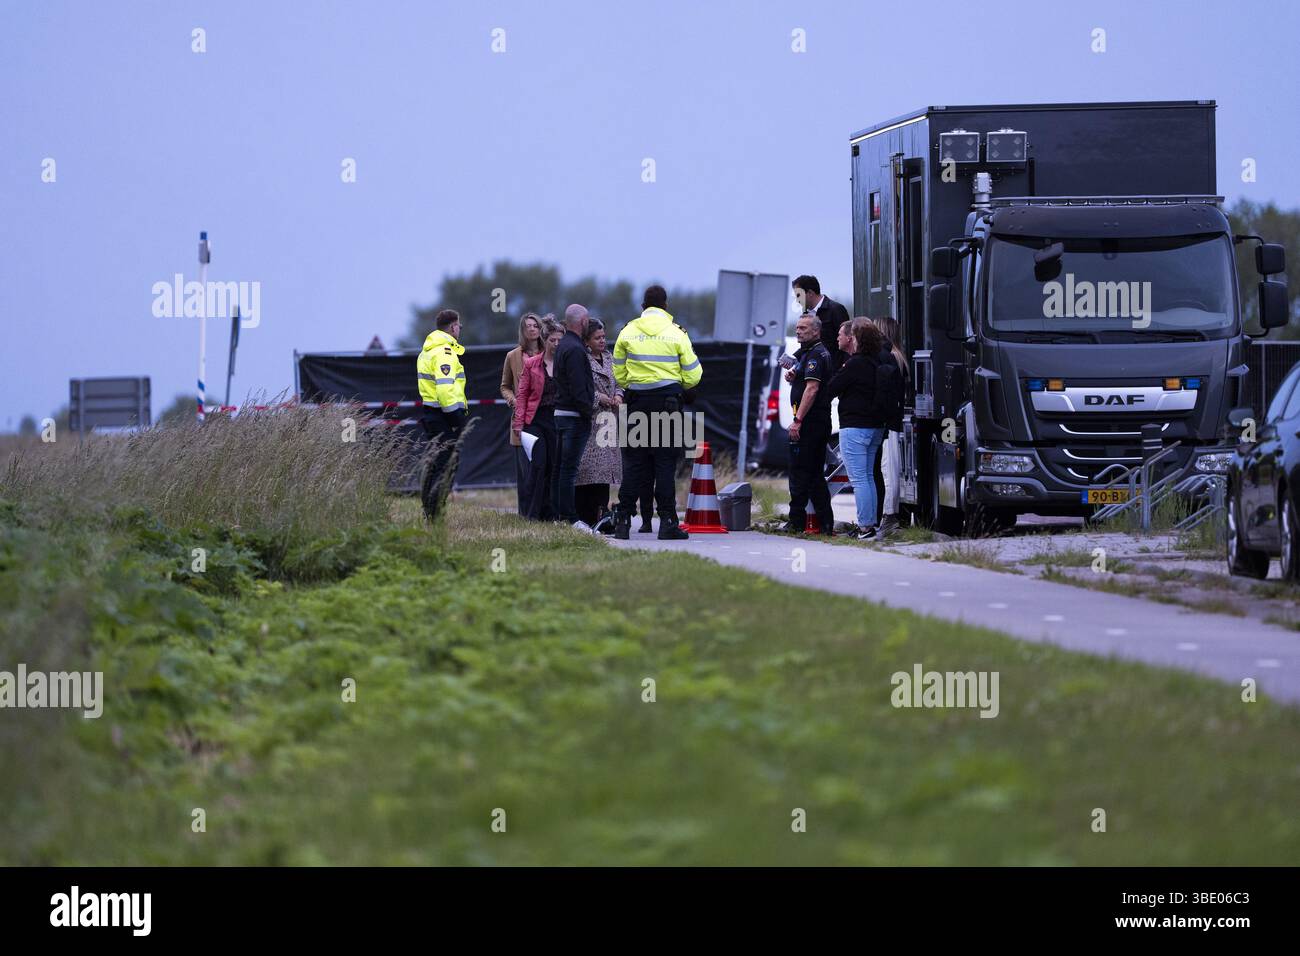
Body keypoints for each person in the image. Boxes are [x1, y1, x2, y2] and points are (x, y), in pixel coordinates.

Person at [610, 285, 702, 540]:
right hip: (667, 405)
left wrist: (635, 385)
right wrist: (677, 385)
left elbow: (618, 372)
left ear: (643, 306)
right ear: (666, 306)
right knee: (664, 465)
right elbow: (695, 374)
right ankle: (668, 523)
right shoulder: (677, 333)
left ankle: (623, 522)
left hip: (637, 403)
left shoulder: (627, 331)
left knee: (635, 465)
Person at [827, 319, 892, 538]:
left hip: (855, 427)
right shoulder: (876, 361)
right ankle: (871, 525)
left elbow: (832, 388)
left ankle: (865, 527)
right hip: (875, 427)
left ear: (855, 339)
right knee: (868, 477)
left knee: (859, 479)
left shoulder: (855, 364)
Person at [783, 311, 835, 535]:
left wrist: (797, 420)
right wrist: (795, 377)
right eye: (797, 328)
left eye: (803, 328)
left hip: (810, 422)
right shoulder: (808, 353)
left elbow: (812, 389)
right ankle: (825, 524)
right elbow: (807, 382)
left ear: (816, 330)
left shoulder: (815, 355)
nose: (798, 331)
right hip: (816, 421)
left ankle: (796, 522)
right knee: (814, 474)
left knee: (800, 472)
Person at [416, 309, 468, 520]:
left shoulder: (427, 351)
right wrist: (455, 419)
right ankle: (436, 514)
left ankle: (429, 510)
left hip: (431, 414)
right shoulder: (444, 352)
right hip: (444, 416)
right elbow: (445, 389)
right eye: (459, 326)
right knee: (447, 466)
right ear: (453, 327)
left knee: (436, 463)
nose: (460, 330)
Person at [512, 318, 565, 520]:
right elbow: (523, 394)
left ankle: (551, 513)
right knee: (539, 464)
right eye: (553, 340)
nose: (557, 344)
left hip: (557, 419)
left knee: (554, 466)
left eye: (560, 340)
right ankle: (532, 514)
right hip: (535, 419)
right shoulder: (532, 364)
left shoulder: (565, 363)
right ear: (546, 340)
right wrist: (518, 423)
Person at [553, 304, 597, 531]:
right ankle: (570, 518)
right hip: (573, 417)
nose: (589, 322)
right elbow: (580, 388)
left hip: (561, 414)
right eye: (587, 319)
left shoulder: (563, 346)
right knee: (569, 470)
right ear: (582, 323)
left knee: (561, 468)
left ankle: (560, 515)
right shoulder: (577, 350)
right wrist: (588, 413)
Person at [575, 318, 623, 527]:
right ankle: (583, 517)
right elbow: (578, 388)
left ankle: (602, 517)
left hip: (609, 421)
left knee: (605, 472)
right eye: (597, 338)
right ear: (587, 340)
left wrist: (619, 395)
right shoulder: (582, 360)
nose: (602, 341)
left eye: (604, 337)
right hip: (590, 420)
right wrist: (598, 398)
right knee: (586, 473)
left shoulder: (610, 358)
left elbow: (620, 381)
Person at [500, 312, 545, 514]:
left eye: (535, 325)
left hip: (545, 418)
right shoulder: (513, 356)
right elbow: (505, 386)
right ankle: (525, 515)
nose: (532, 328)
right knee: (525, 472)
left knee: (544, 468)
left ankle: (545, 513)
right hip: (522, 420)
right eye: (528, 325)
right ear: (523, 330)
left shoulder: (550, 353)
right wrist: (513, 401)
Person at [871, 316, 910, 539]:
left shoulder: (890, 357)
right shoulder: (899, 356)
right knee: (888, 469)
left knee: (887, 470)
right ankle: (887, 516)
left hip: (889, 424)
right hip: (894, 422)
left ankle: (888, 516)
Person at [792, 275, 852, 372]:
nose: (797, 300)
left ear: (810, 293)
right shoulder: (806, 314)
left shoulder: (835, 309)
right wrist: (795, 359)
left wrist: (844, 370)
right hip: (813, 372)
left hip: (832, 372)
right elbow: (808, 345)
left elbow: (847, 341)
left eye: (798, 295)